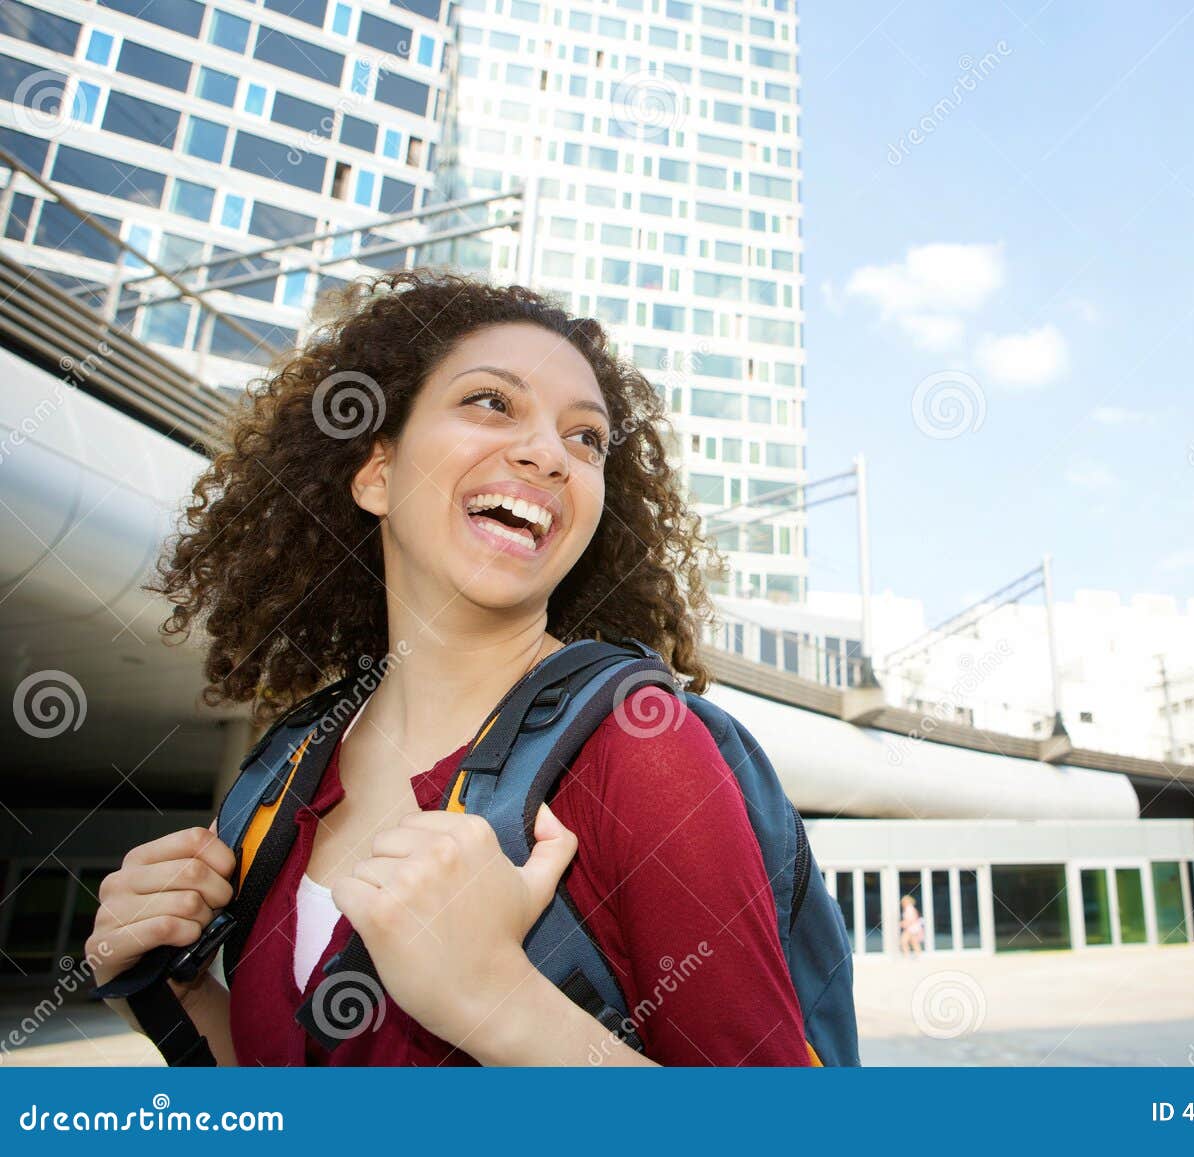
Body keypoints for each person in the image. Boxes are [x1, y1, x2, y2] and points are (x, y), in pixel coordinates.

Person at [87, 272, 813, 1066]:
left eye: (587, 438)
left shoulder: (641, 750)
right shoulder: (284, 776)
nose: (548, 454)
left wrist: (496, 1000)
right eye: (492, 402)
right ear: (375, 474)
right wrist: (172, 988)